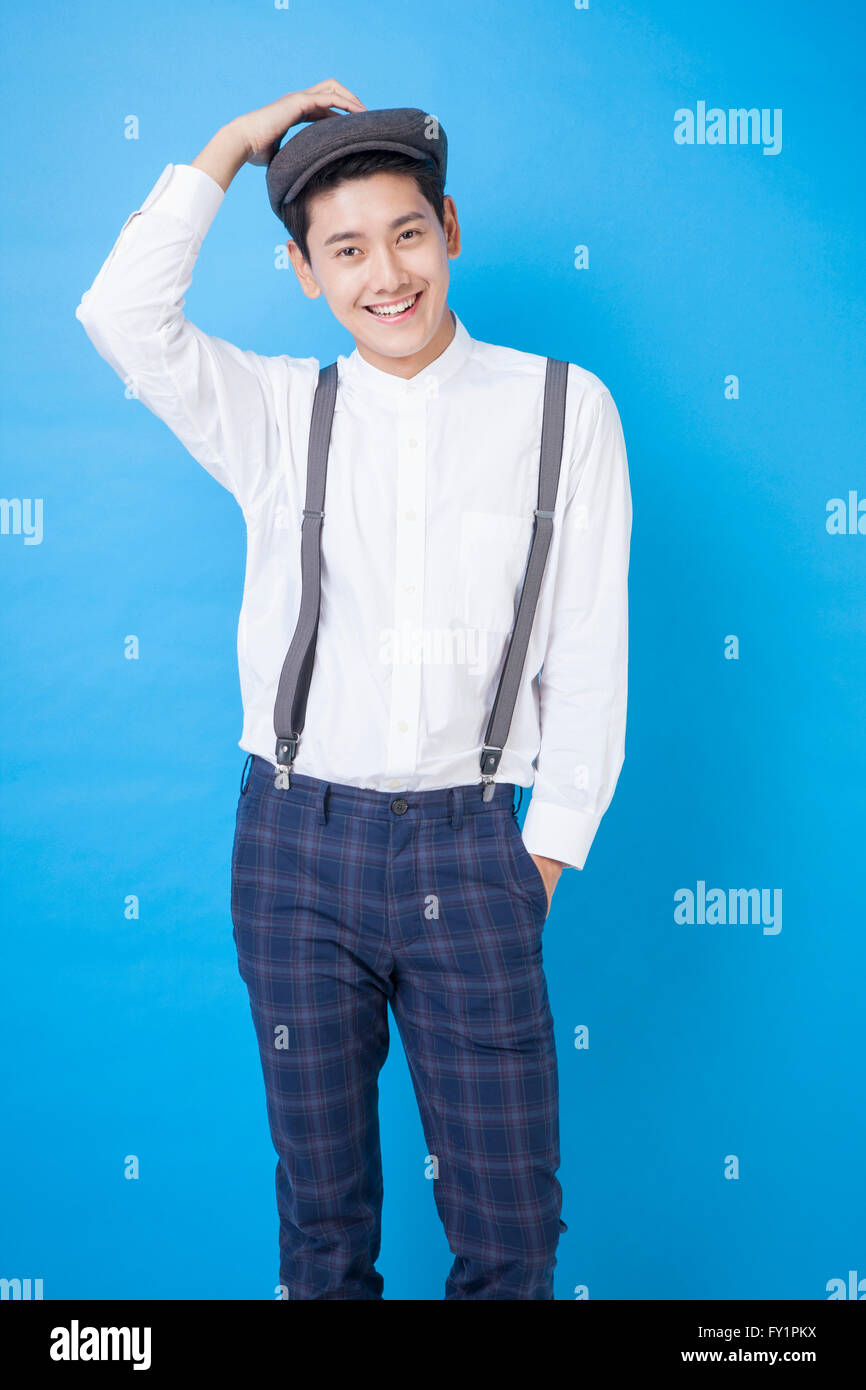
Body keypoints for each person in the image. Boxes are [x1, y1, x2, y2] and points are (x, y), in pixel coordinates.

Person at [75, 80, 632, 1300]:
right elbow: (120, 312)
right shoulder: (275, 411)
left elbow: (588, 649)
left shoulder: (562, 408)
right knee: (322, 1234)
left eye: (406, 233)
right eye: (344, 249)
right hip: (293, 844)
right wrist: (228, 145)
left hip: (476, 848)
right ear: (302, 272)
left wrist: (541, 854)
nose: (385, 273)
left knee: (511, 1233)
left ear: (449, 230)